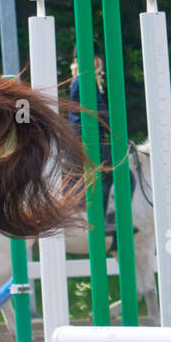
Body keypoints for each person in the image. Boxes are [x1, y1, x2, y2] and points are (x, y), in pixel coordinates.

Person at [68, 54, 113, 223]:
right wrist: (118, 134)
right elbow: (100, 112)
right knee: (115, 170)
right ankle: (101, 218)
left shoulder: (79, 80)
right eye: (91, 57)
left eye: (95, 57)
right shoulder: (85, 81)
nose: (94, 61)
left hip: (83, 136)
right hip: (85, 138)